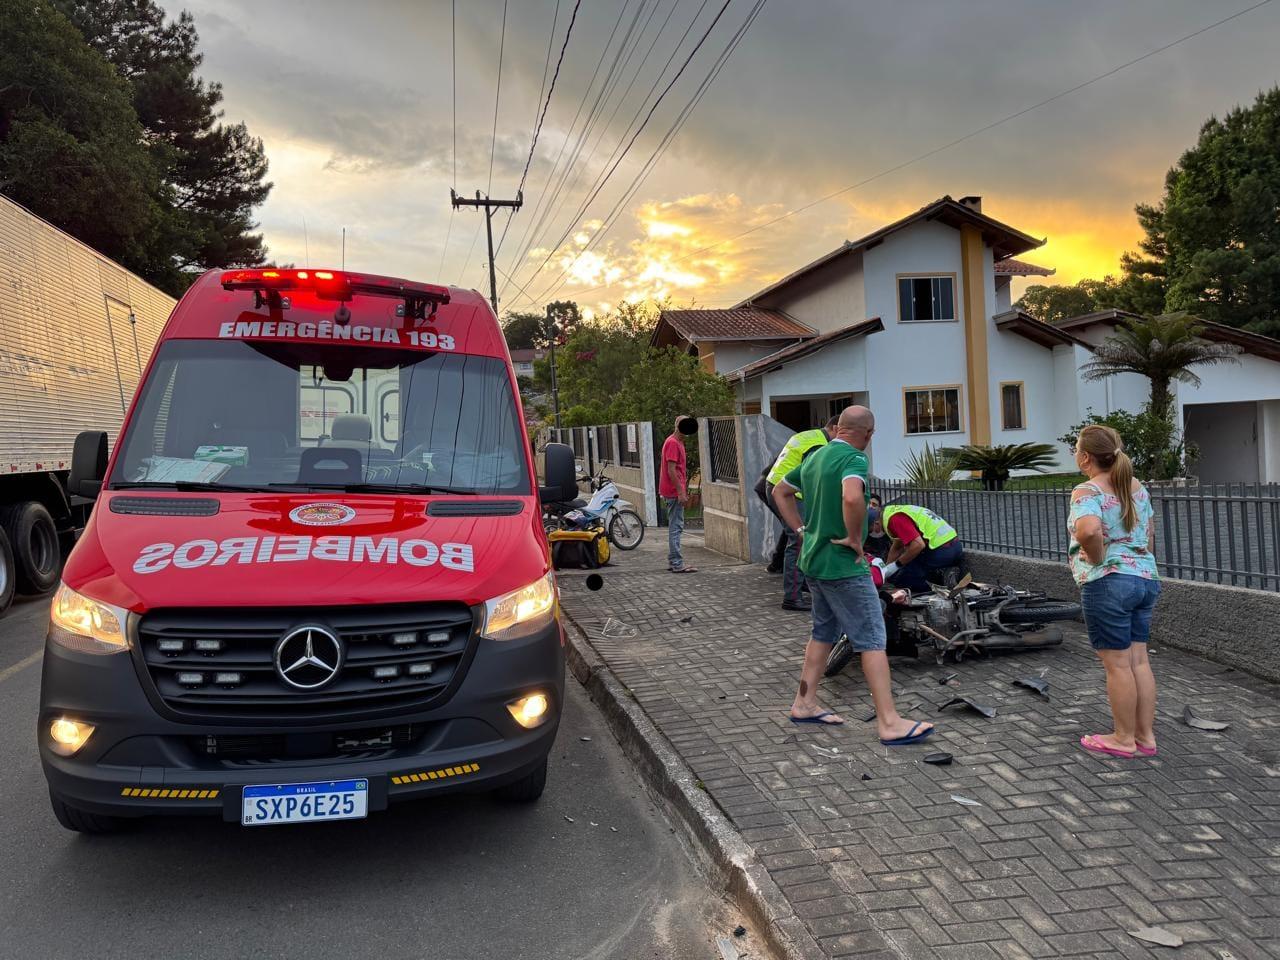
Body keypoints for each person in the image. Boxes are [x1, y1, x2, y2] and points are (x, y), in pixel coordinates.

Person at [772, 405, 935, 746]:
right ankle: (890, 722)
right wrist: (852, 537)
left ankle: (804, 702)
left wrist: (801, 529)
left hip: (814, 562)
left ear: (837, 428)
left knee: (824, 631)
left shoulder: (815, 457)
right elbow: (851, 496)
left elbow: (779, 492)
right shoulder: (855, 460)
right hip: (844, 565)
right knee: (873, 638)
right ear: (868, 434)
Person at [1069, 424, 1161, 759]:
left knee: (1118, 666)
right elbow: (1149, 534)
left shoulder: (1087, 492)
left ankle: (1122, 739)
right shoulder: (1136, 487)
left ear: (1085, 457)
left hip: (1109, 583)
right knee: (1138, 660)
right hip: (1145, 579)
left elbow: (1088, 529)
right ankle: (1144, 736)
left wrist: (1097, 558)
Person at [765, 415, 839, 611]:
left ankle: (801, 584)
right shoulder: (819, 444)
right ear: (835, 428)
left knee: (797, 536)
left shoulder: (808, 435)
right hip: (788, 493)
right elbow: (811, 476)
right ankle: (792, 597)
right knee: (799, 540)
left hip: (775, 486)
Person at [881, 503, 965, 592]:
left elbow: (918, 545)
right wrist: (886, 571)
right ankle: (946, 571)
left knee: (904, 580)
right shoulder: (898, 511)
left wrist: (897, 564)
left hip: (941, 551)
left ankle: (941, 579)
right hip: (955, 546)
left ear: (876, 523)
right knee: (906, 568)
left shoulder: (895, 519)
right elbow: (898, 547)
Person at [660, 415, 697, 573]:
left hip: (673, 490)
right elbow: (671, 470)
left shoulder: (677, 442)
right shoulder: (673, 443)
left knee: (675, 525)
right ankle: (676, 562)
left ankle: (673, 560)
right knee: (676, 526)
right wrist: (681, 492)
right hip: (673, 492)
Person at [753, 464, 787, 574]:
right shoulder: (816, 447)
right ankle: (779, 565)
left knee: (791, 526)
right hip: (775, 487)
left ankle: (777, 564)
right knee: (794, 528)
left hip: (769, 484)